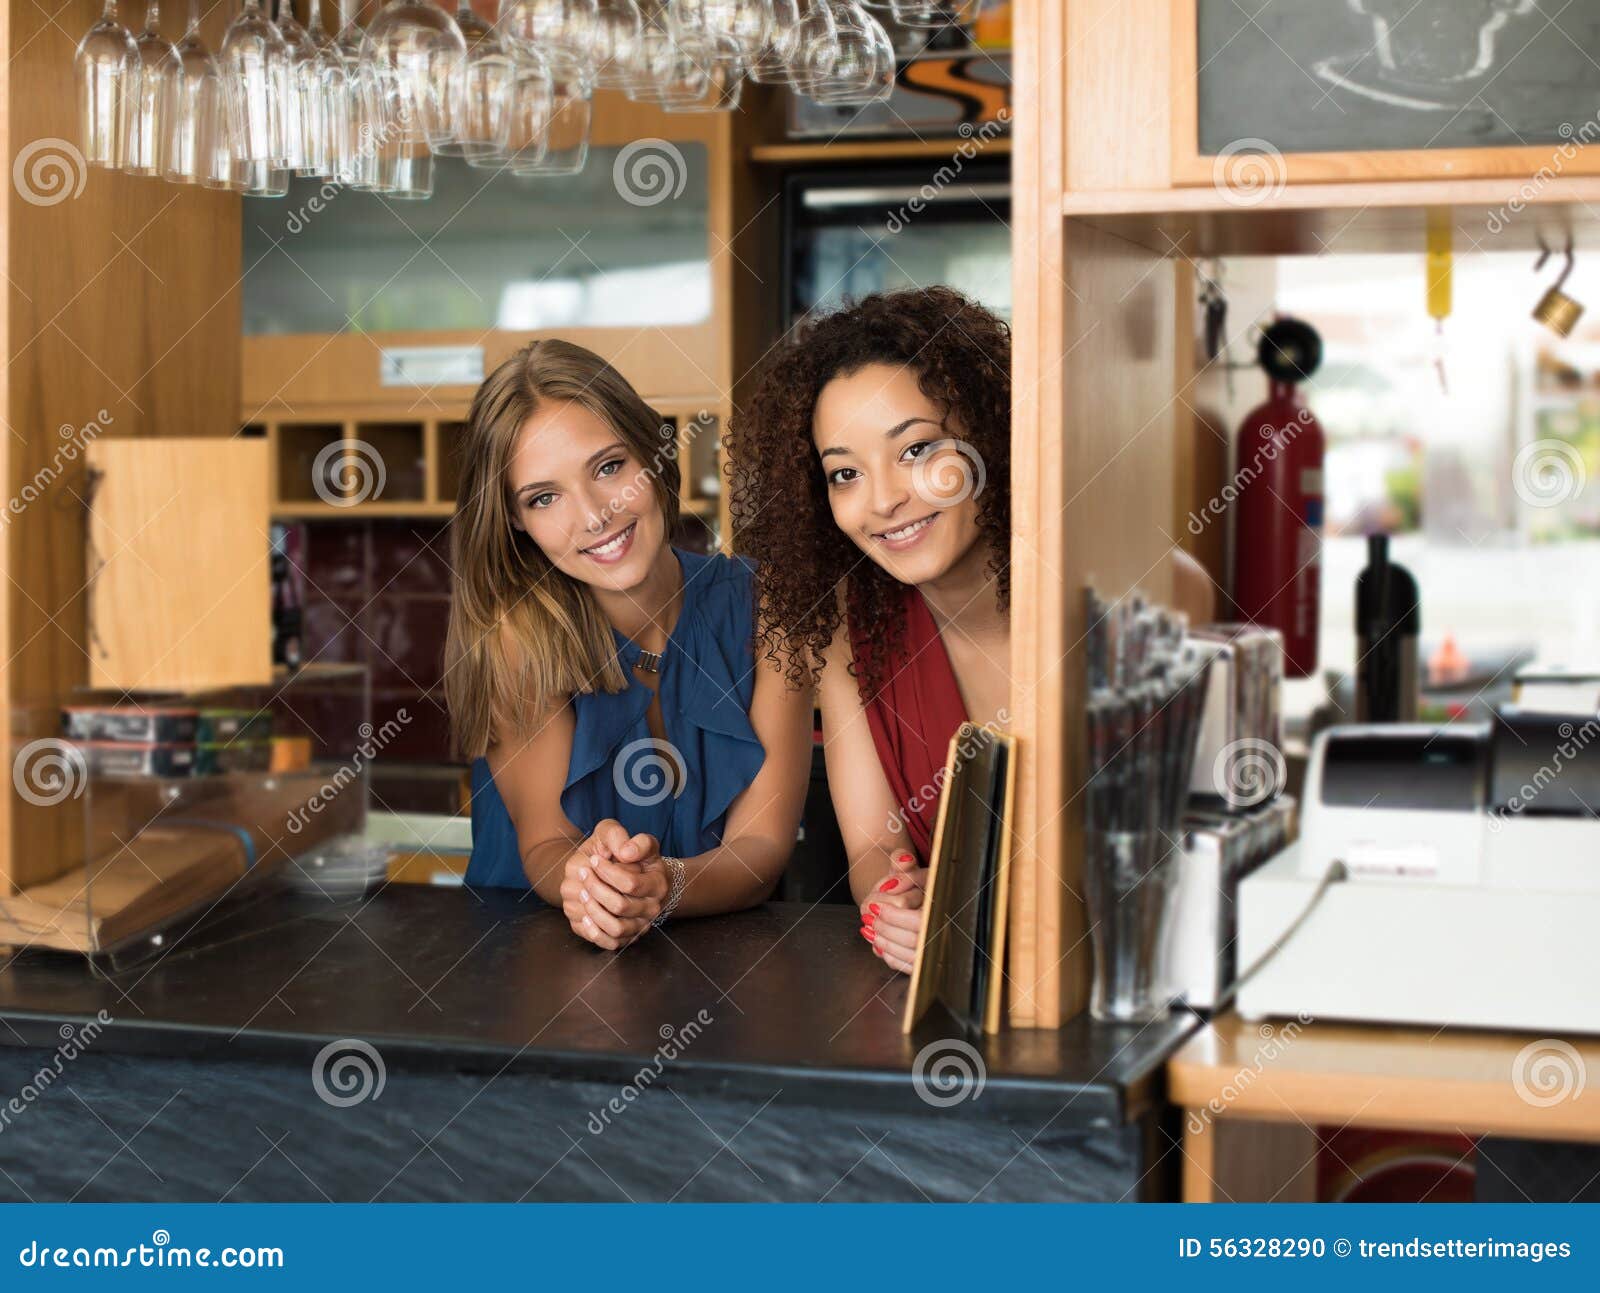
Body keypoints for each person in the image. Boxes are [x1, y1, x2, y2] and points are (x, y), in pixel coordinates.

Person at [726, 286, 1214, 974]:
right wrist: (901, 907)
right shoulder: (846, 627)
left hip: (1139, 980)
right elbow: (873, 844)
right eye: (844, 473)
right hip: (966, 1004)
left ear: (992, 431)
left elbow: (1187, 837)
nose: (884, 499)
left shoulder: (1151, 587)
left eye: (918, 449)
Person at [445, 340, 812, 951]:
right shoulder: (515, 635)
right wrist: (593, 879)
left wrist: (662, 886)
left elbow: (763, 850)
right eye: (544, 497)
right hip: (528, 972)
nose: (593, 515)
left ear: (651, 452)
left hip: (716, 979)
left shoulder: (766, 606)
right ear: (514, 519)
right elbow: (543, 843)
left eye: (609, 467)